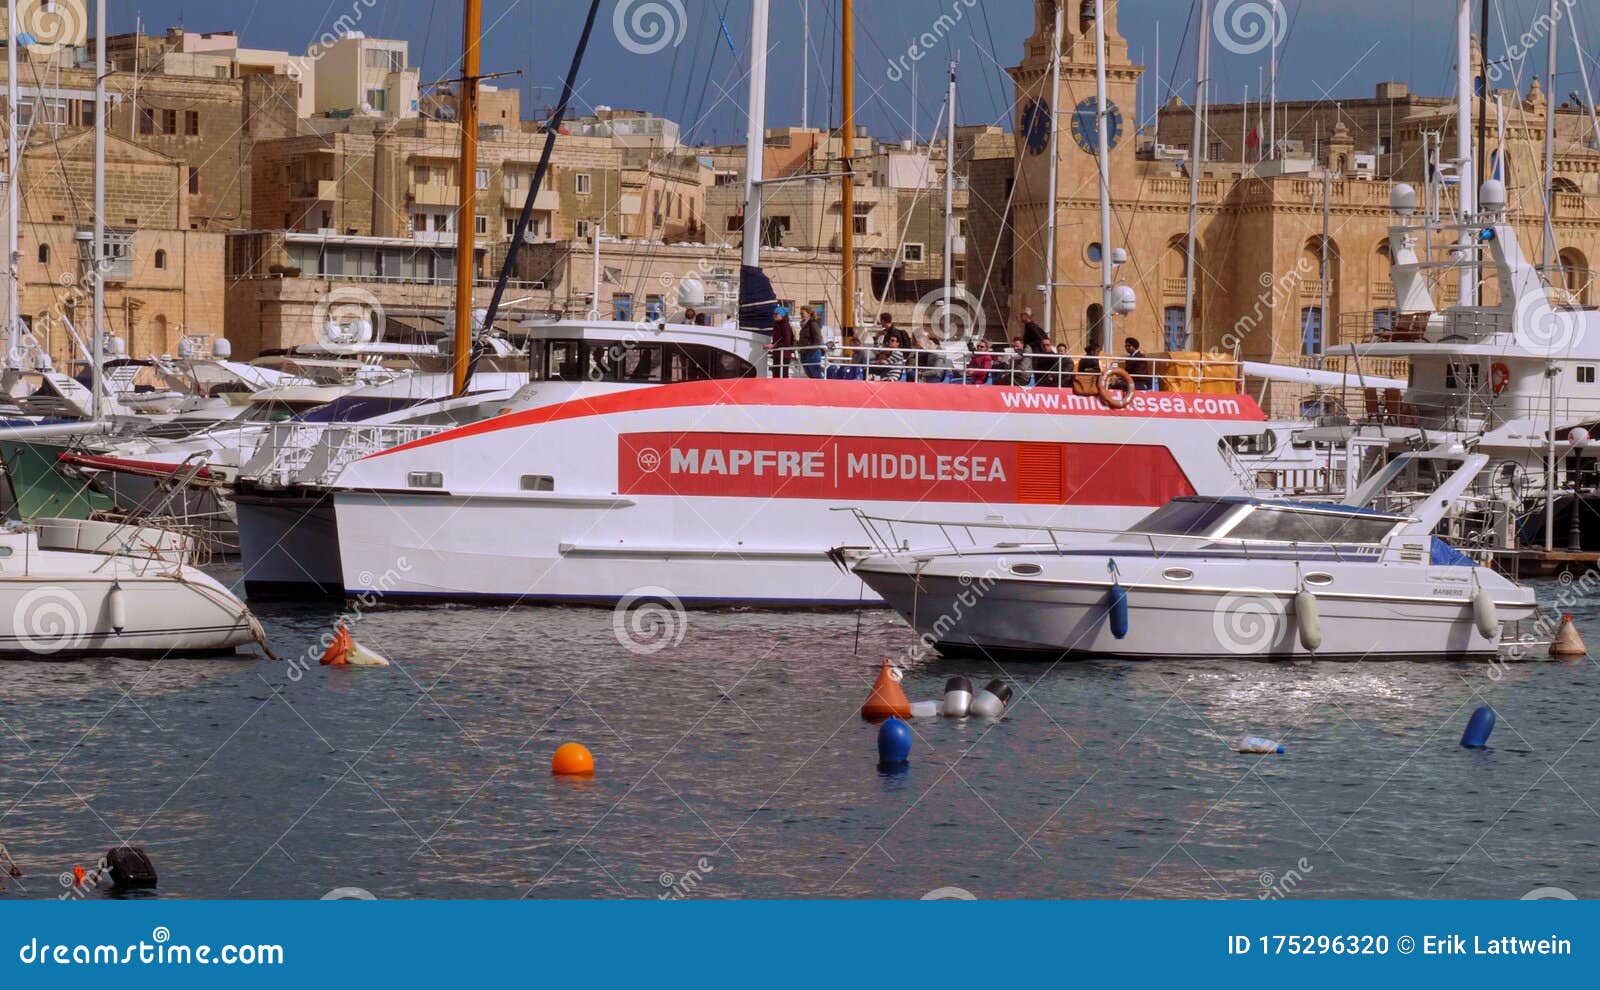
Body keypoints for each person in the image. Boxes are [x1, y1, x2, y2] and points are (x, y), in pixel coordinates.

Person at [798, 306, 825, 379]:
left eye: (802, 313)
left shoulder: (813, 323)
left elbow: (818, 339)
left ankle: (821, 389)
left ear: (808, 313)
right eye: (800, 313)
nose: (801, 315)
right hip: (804, 353)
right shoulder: (804, 325)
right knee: (810, 375)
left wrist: (810, 351)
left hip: (812, 354)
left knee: (816, 375)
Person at [767, 307, 795, 378]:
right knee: (775, 375)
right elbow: (777, 340)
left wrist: (773, 346)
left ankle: (784, 388)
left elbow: (787, 342)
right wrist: (772, 345)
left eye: (776, 314)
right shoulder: (777, 324)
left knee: (782, 374)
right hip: (777, 354)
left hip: (784, 355)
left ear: (782, 315)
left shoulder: (785, 325)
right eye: (774, 314)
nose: (774, 315)